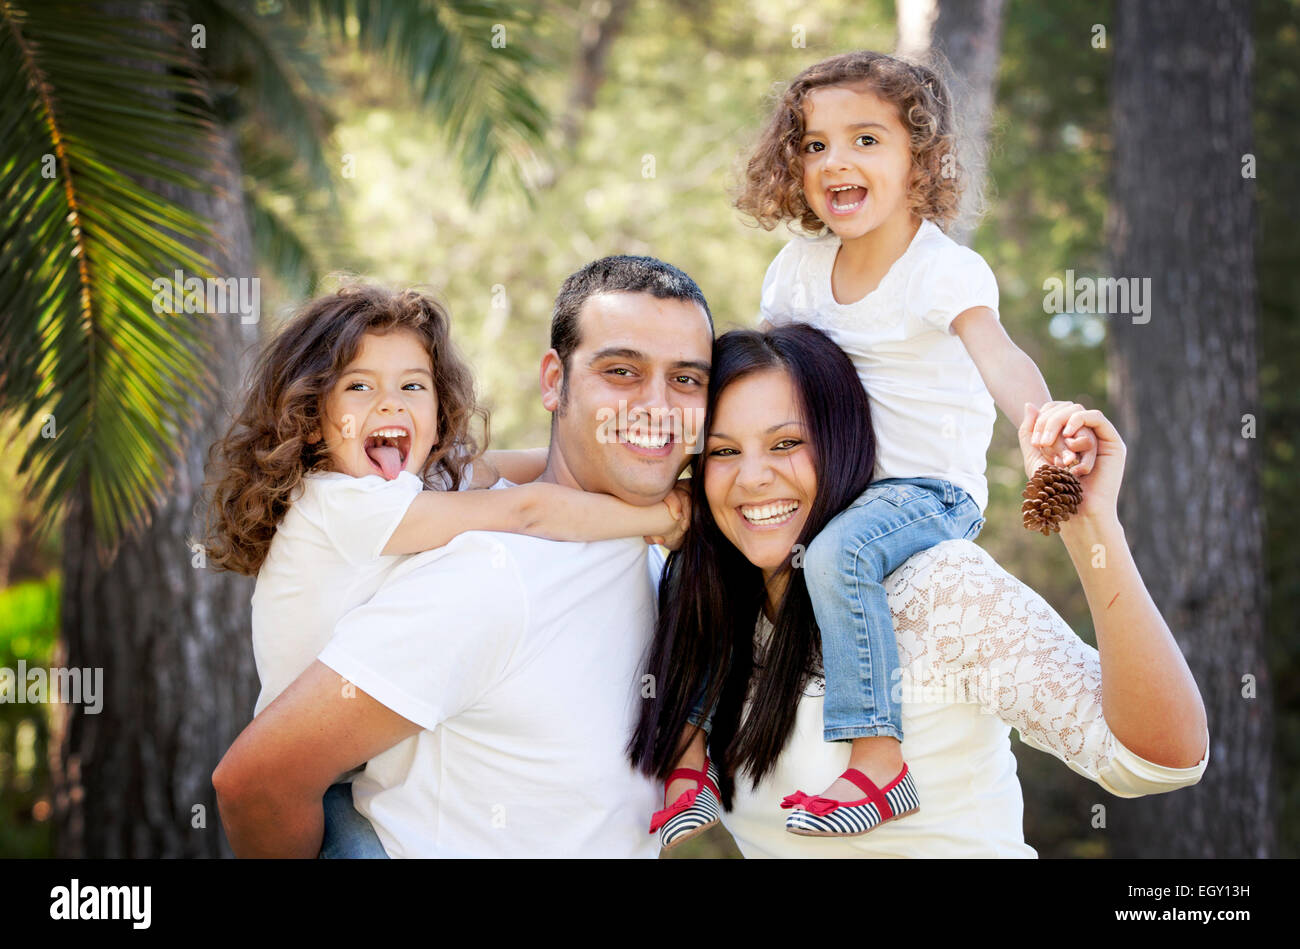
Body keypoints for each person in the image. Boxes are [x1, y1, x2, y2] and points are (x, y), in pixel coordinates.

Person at [652, 49, 1103, 844]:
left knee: (836, 557)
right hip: (839, 483)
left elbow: (998, 353)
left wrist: (1044, 424)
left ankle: (879, 760)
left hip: (924, 491)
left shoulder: (939, 270)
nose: (836, 162)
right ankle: (688, 761)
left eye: (866, 139)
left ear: (919, 157)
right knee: (698, 550)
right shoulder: (798, 267)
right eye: (816, 145)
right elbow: (768, 372)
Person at [630, 324, 1208, 857]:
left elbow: (1161, 759)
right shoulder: (702, 607)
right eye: (725, 451)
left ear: (844, 444)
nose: (753, 477)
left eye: (786, 443)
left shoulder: (936, 588)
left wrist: (1089, 526)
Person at [211, 257, 713, 857]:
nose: (656, 404)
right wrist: (666, 514)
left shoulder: (646, 556)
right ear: (554, 381)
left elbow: (505, 471)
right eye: (622, 370)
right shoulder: (489, 575)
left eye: (686, 380)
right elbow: (254, 783)